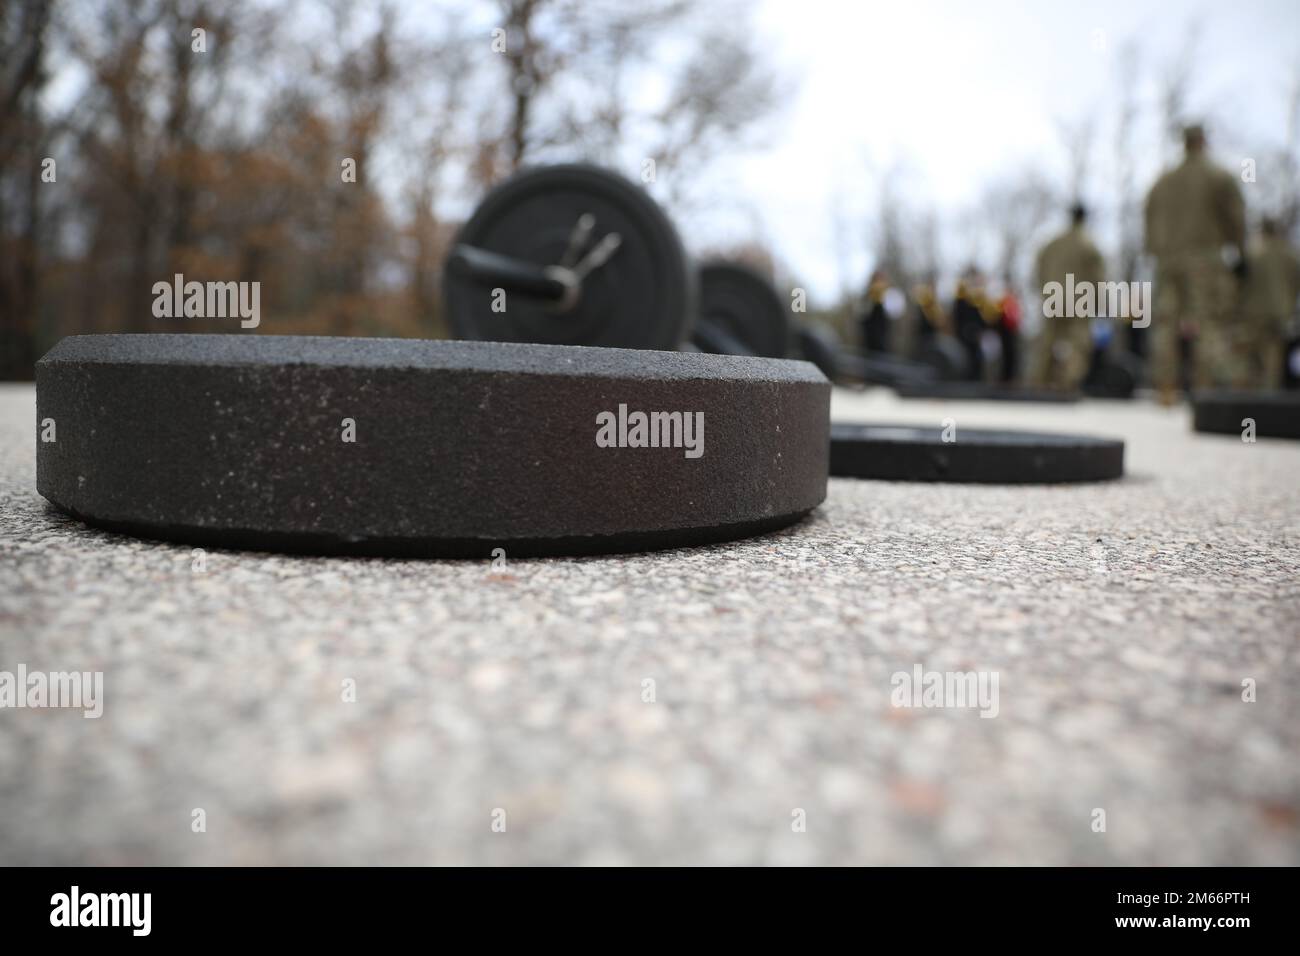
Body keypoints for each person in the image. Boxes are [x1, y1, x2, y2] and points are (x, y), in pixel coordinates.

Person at [1144, 123, 1246, 402]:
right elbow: (1236, 217)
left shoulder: (1163, 181)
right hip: (1205, 259)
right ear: (1203, 140)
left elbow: (1148, 217)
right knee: (1208, 321)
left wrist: (1155, 251)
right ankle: (1205, 390)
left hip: (1167, 261)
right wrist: (1240, 252)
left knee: (1166, 324)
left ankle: (1165, 388)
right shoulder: (1218, 176)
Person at [1031, 203, 1102, 390]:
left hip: (1053, 296)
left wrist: (1044, 291)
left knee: (1048, 342)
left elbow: (1039, 269)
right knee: (1078, 343)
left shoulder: (1052, 244)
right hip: (1079, 298)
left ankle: (1040, 381)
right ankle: (1068, 383)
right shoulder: (1088, 245)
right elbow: (1097, 277)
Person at [1238, 218, 1300, 389]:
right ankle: (1269, 396)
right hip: (1280, 313)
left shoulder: (1252, 252)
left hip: (1252, 313)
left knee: (1249, 359)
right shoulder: (1291, 255)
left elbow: (1239, 282)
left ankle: (1249, 398)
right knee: (1273, 360)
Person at [952, 267, 987, 380]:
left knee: (977, 360)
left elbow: (984, 318)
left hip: (976, 336)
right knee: (964, 359)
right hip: (963, 334)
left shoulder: (980, 299)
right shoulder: (961, 299)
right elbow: (957, 317)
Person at [996, 274, 1022, 384]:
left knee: (1012, 356)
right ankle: (1005, 379)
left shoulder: (1013, 302)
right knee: (1006, 356)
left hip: (1012, 333)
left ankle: (1011, 378)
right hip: (1005, 333)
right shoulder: (1003, 301)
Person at [858, 270, 892, 353]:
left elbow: (894, 313)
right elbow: (861, 314)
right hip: (869, 340)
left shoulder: (890, 295)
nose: (879, 283)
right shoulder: (866, 295)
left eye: (881, 280)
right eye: (877, 280)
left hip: (885, 338)